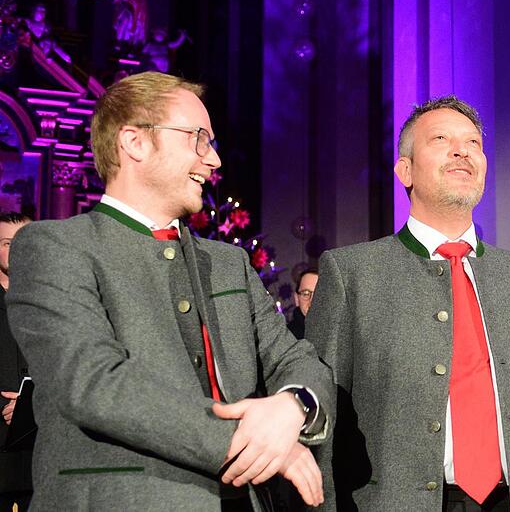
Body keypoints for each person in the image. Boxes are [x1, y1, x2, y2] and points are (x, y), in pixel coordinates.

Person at [6, 71, 332, 510]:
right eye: (198, 138)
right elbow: (95, 383)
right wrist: (254, 441)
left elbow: (295, 359)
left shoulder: (227, 262)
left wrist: (293, 406)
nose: (213, 159)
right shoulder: (53, 246)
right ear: (134, 142)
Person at [306, 96, 510, 511]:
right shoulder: (352, 273)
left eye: (474, 143)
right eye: (441, 139)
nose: (462, 150)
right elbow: (321, 414)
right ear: (404, 170)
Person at [0, 212, 32, 509]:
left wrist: (31, 404)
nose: (17, 249)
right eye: (8, 243)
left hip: (37, 457)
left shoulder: (49, 301)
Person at [287, 266, 318, 340]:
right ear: (297, 299)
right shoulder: (286, 338)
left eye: (319, 294)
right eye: (306, 293)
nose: (312, 302)